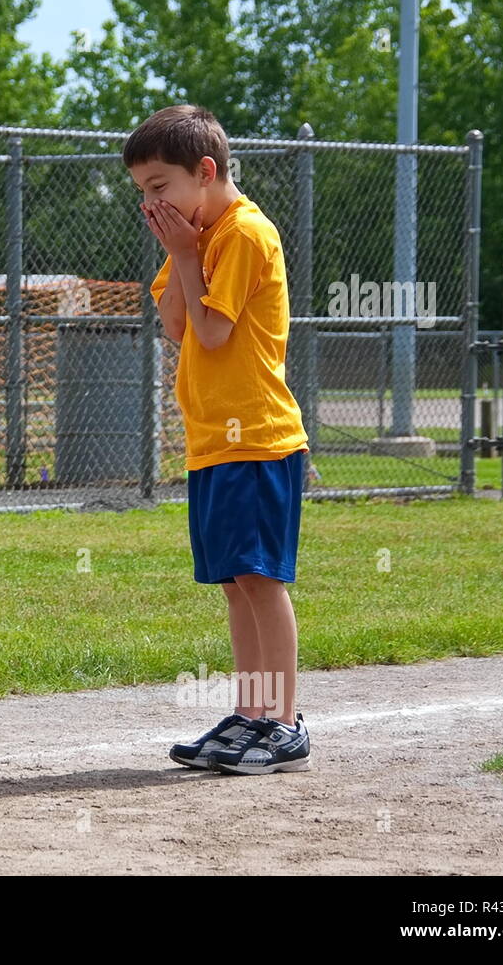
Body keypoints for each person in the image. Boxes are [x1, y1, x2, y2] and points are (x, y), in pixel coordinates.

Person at [125, 105, 311, 775]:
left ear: (205, 172)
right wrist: (180, 254)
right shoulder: (202, 240)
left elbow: (213, 333)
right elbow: (176, 325)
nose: (150, 202)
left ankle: (284, 722)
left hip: (258, 439)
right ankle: (253, 711)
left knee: (261, 579)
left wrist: (184, 252)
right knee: (235, 583)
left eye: (158, 187)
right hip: (213, 443)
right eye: (143, 192)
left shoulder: (244, 233)